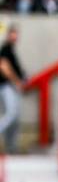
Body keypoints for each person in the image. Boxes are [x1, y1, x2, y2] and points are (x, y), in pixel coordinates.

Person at [0, 24, 26, 154]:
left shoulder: (11, 49)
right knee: (11, 114)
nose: (15, 37)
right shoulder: (6, 48)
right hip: (6, 86)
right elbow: (4, 67)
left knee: (15, 119)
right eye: (13, 34)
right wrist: (17, 82)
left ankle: (11, 147)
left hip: (11, 86)